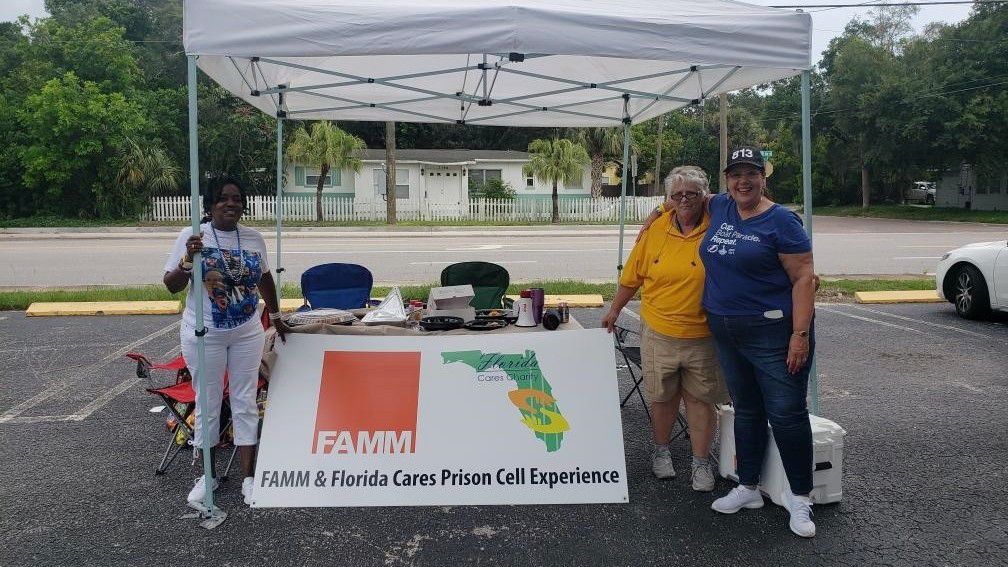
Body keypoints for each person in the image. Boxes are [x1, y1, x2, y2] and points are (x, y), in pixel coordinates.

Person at [697, 146, 817, 537]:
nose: (743, 181)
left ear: (763, 177)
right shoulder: (721, 206)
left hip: (773, 331)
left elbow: (804, 279)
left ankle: (800, 497)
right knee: (746, 409)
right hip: (726, 328)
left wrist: (800, 335)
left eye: (751, 173)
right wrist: (655, 215)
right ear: (727, 180)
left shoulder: (782, 221)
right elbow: (686, 198)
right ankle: (748, 486)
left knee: (786, 413)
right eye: (735, 174)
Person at [163, 177, 288, 509]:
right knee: (208, 402)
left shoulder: (253, 238)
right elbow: (171, 285)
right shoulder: (193, 236)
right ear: (210, 205)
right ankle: (208, 476)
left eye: (237, 198)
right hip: (205, 333)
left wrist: (276, 316)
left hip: (246, 332)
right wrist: (188, 260)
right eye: (223, 198)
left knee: (245, 401)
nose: (231, 204)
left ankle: (249, 479)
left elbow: (264, 277)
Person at [602, 166, 728, 492]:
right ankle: (661, 451)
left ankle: (701, 462)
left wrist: (663, 206)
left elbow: (736, 198)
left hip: (703, 335)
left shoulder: (719, 226)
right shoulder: (656, 230)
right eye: (677, 194)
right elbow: (632, 277)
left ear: (705, 196)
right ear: (669, 197)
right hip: (659, 332)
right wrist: (614, 309)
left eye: (692, 194)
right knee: (662, 398)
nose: (684, 200)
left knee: (700, 401)